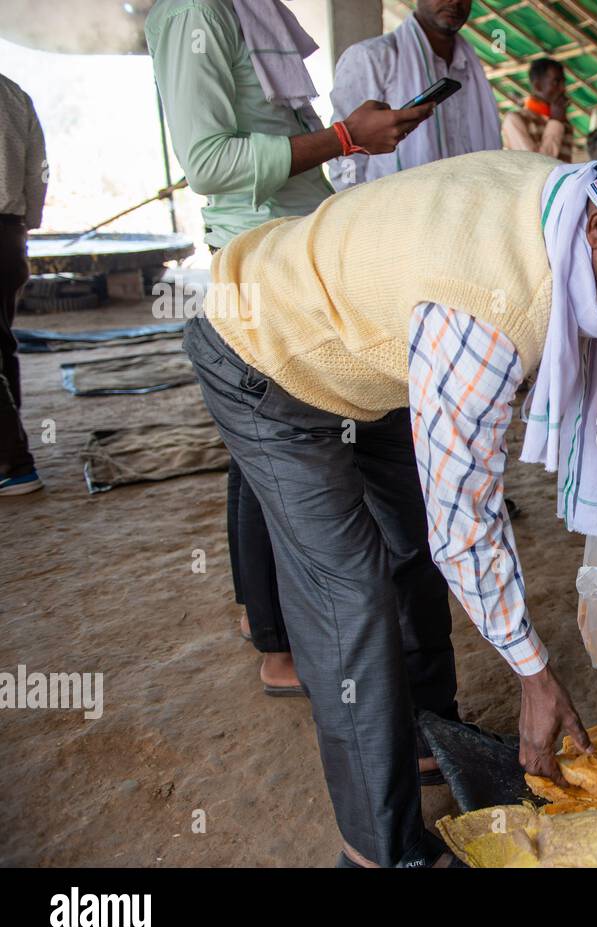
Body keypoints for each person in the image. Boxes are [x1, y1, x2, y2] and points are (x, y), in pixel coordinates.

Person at [183, 138, 597, 866]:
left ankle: (422, 729)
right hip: (260, 345)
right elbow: (468, 524)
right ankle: (378, 847)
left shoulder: (568, 201)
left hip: (370, 350)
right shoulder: (488, 310)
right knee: (349, 592)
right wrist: (533, 674)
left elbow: (480, 433)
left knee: (411, 539)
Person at [147, 0, 434, 698]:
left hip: (303, 248)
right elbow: (211, 162)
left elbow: (277, 135)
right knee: (279, 459)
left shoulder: (254, 13)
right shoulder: (195, 13)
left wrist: (349, 139)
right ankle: (278, 642)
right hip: (258, 262)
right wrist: (342, 136)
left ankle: (268, 625)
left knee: (263, 461)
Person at [328, 0, 501, 190]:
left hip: (469, 206)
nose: (456, 1)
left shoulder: (470, 67)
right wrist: (355, 211)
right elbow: (345, 152)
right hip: (396, 212)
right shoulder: (371, 57)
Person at [0, 73, 47, 497]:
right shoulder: (12, 92)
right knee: (3, 346)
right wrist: (23, 228)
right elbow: (37, 172)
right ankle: (11, 452)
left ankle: (13, 463)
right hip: (8, 236)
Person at [503, 57, 577, 162]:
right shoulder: (515, 119)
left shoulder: (565, 125)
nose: (563, 88)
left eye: (563, 83)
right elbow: (535, 164)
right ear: (537, 86)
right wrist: (556, 121)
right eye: (556, 82)